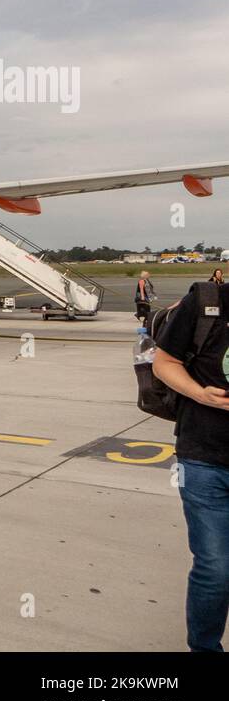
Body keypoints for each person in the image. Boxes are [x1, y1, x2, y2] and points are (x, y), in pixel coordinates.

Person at [154, 279, 229, 651]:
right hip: (205, 458)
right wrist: (201, 394)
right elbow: (163, 363)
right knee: (215, 569)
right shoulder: (205, 302)